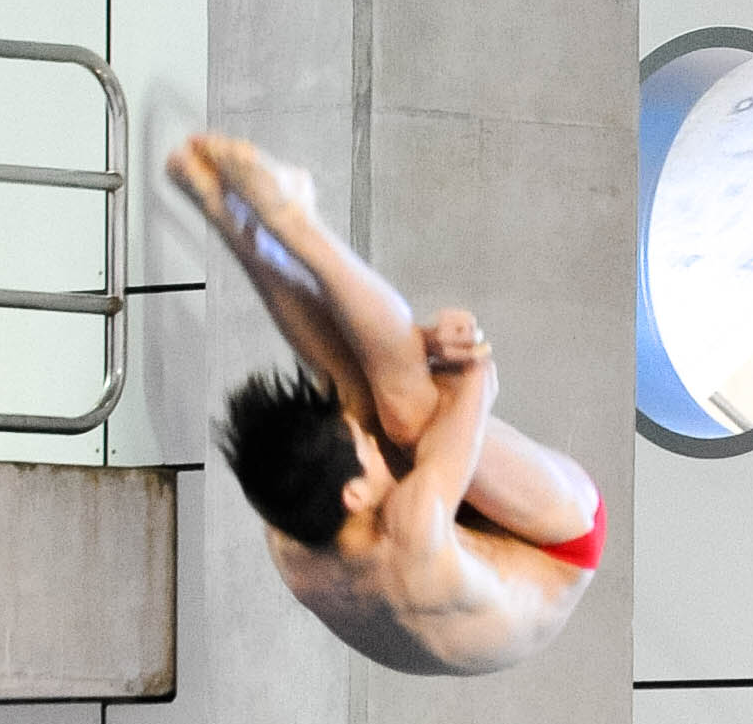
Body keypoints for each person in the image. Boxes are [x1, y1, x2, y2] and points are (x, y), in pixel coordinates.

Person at [169, 132, 605, 678]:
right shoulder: (413, 535)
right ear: (354, 493)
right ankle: (294, 218)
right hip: (554, 549)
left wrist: (425, 349)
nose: (370, 444)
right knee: (407, 415)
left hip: (440, 554)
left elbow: (372, 409)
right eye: (364, 449)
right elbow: (477, 376)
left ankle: (234, 220)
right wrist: (449, 346)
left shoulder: (292, 533)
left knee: (352, 388)